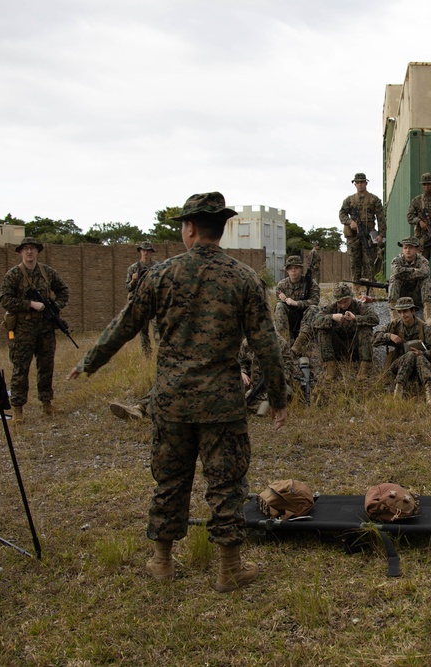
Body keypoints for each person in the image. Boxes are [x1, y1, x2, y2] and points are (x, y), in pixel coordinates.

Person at [67, 192, 287, 591]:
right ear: (221, 229)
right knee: (226, 483)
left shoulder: (161, 275)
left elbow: (126, 323)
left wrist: (89, 362)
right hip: (222, 404)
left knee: (170, 479)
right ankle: (228, 568)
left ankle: (162, 561)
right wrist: (279, 398)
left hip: (172, 402)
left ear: (189, 229)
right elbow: (266, 345)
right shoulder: (244, 279)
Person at [0, 236, 70, 423]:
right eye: (26, 248)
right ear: (21, 252)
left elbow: (64, 291)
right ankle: (17, 410)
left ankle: (47, 403)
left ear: (38, 251)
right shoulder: (14, 274)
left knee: (46, 366)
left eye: (33, 248)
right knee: (20, 368)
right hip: (23, 329)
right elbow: (4, 300)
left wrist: (55, 306)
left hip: (45, 328)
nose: (29, 252)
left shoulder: (47, 272)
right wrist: (29, 304)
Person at [373, 297, 431, 405]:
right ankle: (398, 391)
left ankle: (430, 393)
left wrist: (423, 353)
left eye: (405, 311)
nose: (402, 315)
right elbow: (375, 339)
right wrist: (389, 335)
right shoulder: (395, 325)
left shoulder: (423, 328)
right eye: (399, 312)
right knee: (410, 355)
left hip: (420, 367)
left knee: (418, 356)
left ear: (413, 311)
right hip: (399, 366)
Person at [312, 282, 380, 381]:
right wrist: (331, 317)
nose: (343, 305)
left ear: (351, 298)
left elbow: (375, 319)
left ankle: (364, 367)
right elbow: (315, 321)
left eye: (345, 301)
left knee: (366, 328)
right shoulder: (332, 308)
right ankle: (330, 367)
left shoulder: (359, 306)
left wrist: (355, 318)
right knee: (323, 330)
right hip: (338, 348)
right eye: (340, 302)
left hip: (356, 348)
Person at [339, 172, 385, 281]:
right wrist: (350, 222)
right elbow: (342, 214)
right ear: (355, 184)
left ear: (366, 183)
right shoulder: (349, 200)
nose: (360, 185)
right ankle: (356, 288)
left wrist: (381, 235)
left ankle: (369, 288)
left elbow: (381, 218)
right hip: (353, 236)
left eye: (362, 182)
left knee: (369, 261)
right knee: (354, 262)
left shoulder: (374, 200)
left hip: (369, 234)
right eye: (357, 182)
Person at [273, 255, 320, 354]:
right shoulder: (282, 285)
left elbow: (315, 301)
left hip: (305, 318)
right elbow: (279, 303)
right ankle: (285, 343)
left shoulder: (311, 283)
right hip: (290, 319)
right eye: (290, 268)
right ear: (287, 271)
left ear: (301, 269)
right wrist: (284, 300)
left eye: (296, 268)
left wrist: (297, 303)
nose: (293, 271)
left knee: (314, 309)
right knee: (279, 306)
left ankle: (298, 345)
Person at [387, 236, 431, 326]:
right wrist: (414, 271)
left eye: (411, 247)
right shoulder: (397, 260)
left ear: (416, 249)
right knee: (394, 278)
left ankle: (427, 312)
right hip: (401, 298)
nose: (407, 250)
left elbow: (425, 272)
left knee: (426, 279)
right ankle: (394, 313)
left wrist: (404, 272)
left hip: (417, 295)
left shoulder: (422, 260)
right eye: (405, 247)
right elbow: (396, 271)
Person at [126, 241, 157, 357]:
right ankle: (147, 356)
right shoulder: (133, 268)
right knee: (143, 332)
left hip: (155, 304)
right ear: (140, 251)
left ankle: (160, 355)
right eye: (144, 250)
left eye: (148, 251)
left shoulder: (157, 267)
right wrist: (134, 280)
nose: (146, 253)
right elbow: (128, 287)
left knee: (158, 330)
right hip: (140, 303)